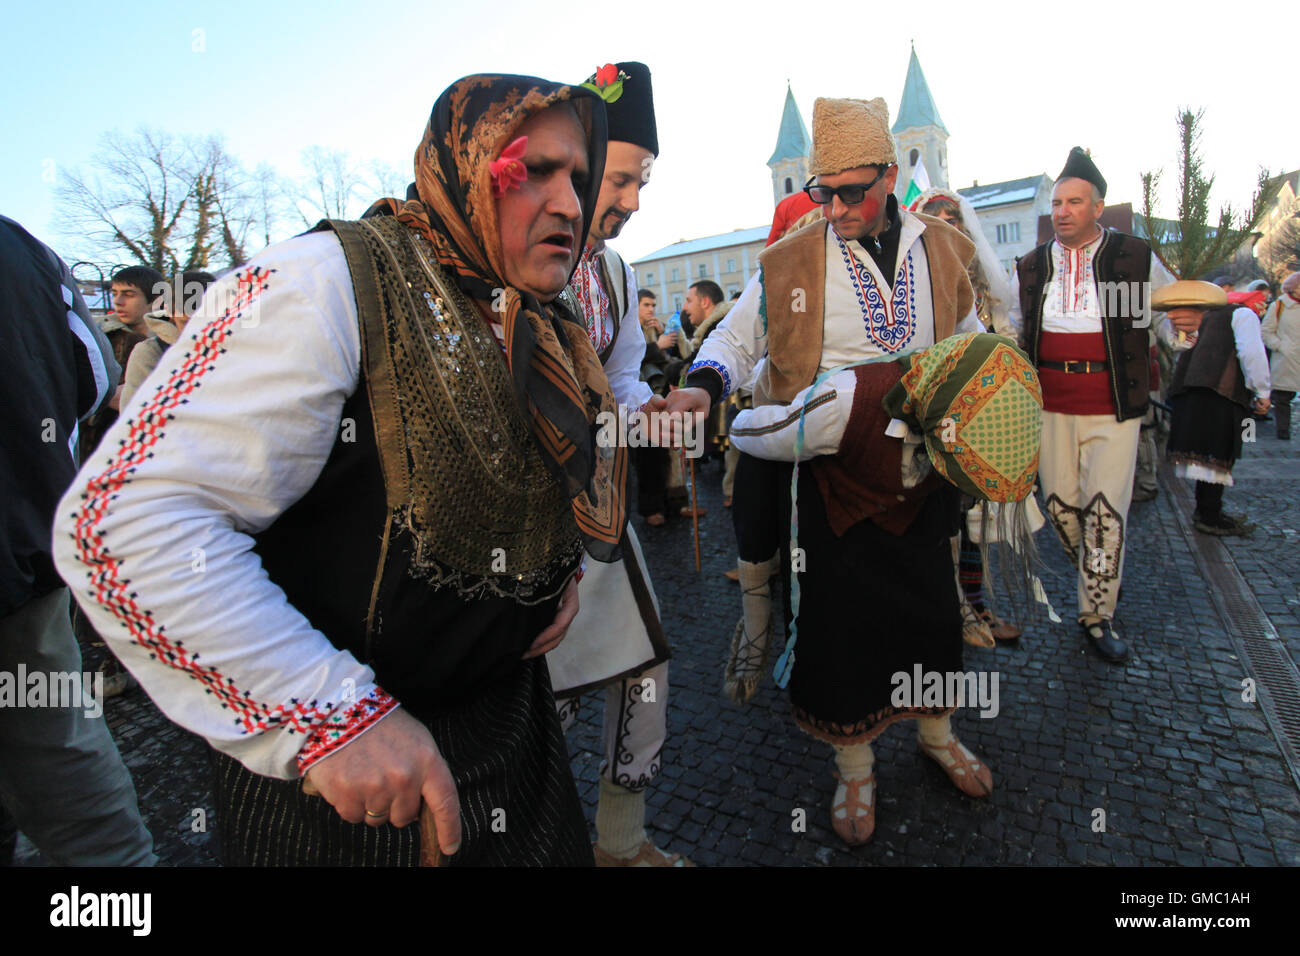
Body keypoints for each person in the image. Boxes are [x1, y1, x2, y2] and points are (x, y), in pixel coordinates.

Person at [54, 74, 622, 867]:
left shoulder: (538, 319)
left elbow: (542, 478)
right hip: (350, 799)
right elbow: (122, 520)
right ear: (464, 164)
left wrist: (551, 572)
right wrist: (329, 719)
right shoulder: (320, 282)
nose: (569, 203)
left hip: (515, 737)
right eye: (536, 169)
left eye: (580, 179)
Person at [667, 95, 992, 845]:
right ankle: (855, 769)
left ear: (889, 175)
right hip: (833, 476)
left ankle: (937, 735)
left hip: (924, 470)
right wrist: (702, 384)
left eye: (853, 190)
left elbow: (973, 338)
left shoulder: (942, 248)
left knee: (931, 613)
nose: (838, 207)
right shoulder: (791, 258)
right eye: (824, 191)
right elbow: (738, 339)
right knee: (844, 626)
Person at [547, 61, 688, 867]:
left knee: (642, 670)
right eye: (625, 179)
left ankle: (621, 841)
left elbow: (624, 377)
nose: (634, 201)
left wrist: (654, 413)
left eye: (643, 183)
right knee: (544, 701)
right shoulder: (518, 251)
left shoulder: (614, 270)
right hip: (520, 528)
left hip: (603, 513)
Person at [0, 215, 155, 865]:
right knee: (55, 741)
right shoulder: (20, 250)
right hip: (21, 539)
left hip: (25, 538)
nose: (118, 303)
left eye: (128, 294)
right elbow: (90, 380)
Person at [1007, 147, 1174, 664]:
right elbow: (1014, 330)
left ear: (1097, 208)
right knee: (1060, 507)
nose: (1061, 211)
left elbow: (1166, 316)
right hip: (1051, 407)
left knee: (1104, 513)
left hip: (1113, 406)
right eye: (1057, 202)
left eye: (1074, 202)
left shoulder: (1132, 257)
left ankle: (1096, 613)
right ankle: (1100, 570)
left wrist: (1183, 332)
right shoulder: (1032, 266)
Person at [913, 188, 1023, 646]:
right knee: (936, 520)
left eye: (953, 218)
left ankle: (974, 604)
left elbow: (1005, 342)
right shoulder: (916, 284)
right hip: (927, 421)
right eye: (936, 219)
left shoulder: (984, 291)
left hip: (979, 420)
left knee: (975, 521)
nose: (947, 225)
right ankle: (939, 606)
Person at [1157, 280, 1270, 533]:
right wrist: (1262, 390)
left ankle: (1207, 511)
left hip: (1190, 393)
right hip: (1221, 394)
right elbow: (1251, 354)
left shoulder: (1208, 314)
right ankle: (1209, 515)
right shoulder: (1243, 315)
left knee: (1203, 458)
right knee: (1217, 454)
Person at [120, 269, 216, 407]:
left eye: (207, 321)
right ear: (169, 311)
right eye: (186, 322)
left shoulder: (237, 348)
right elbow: (133, 416)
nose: (199, 331)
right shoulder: (151, 352)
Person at [1261, 271, 1300, 440]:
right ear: (1294, 288)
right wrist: (1281, 346)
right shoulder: (1279, 305)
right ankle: (1283, 431)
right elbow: (1266, 332)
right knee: (1283, 397)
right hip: (1286, 359)